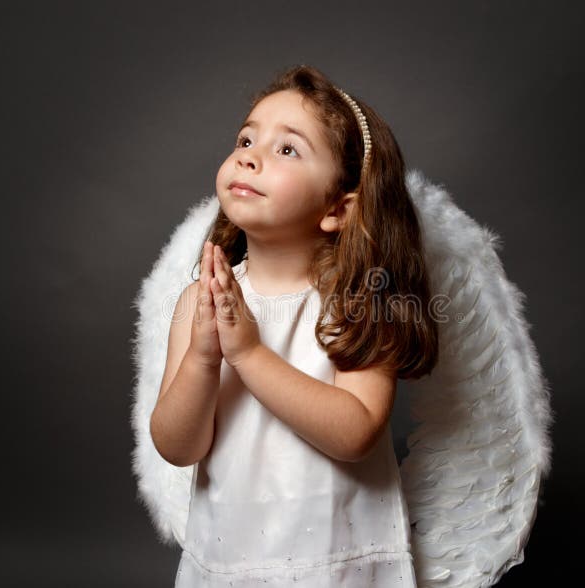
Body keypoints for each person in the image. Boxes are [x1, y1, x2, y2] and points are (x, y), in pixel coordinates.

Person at [149, 65, 440, 587]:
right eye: (246, 139)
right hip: (232, 554)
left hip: (334, 558)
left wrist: (248, 354)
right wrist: (202, 358)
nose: (249, 156)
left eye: (287, 149)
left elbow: (355, 431)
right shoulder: (201, 299)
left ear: (338, 208)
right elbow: (177, 447)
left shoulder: (358, 301)